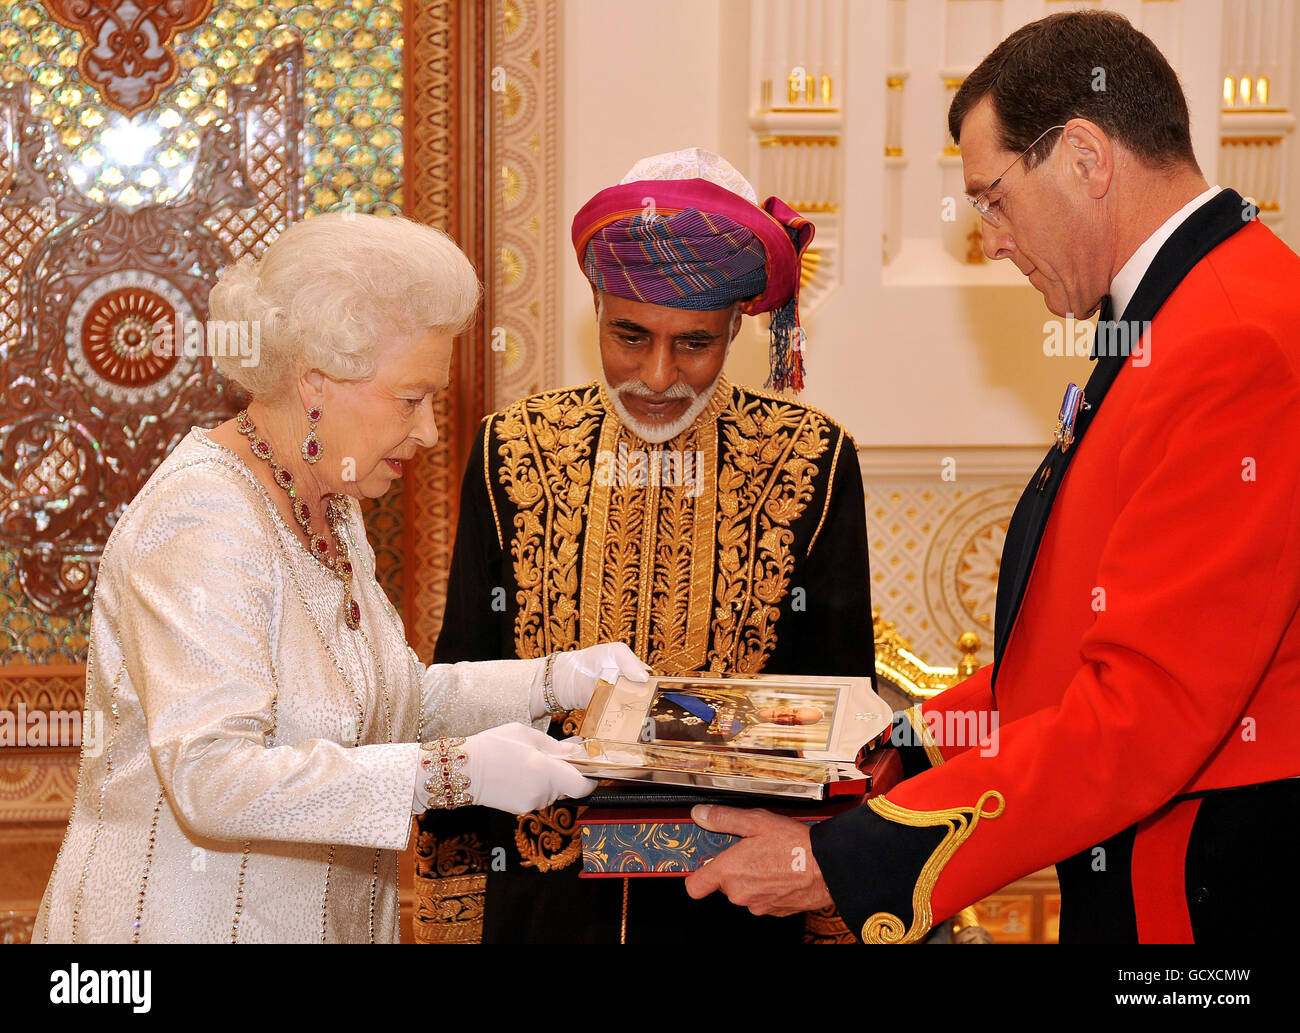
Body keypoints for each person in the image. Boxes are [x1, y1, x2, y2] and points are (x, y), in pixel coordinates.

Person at [685, 10, 1300, 943]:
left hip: (1204, 886)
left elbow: (1144, 708)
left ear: (1085, 156)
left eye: (991, 197)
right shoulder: (1187, 311)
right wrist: (889, 749)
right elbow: (1070, 648)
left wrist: (845, 862)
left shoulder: (1234, 339)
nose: (988, 238)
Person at [32, 213, 647, 943]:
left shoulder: (329, 502)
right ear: (317, 381)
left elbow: (391, 700)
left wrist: (559, 681)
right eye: (411, 398)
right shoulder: (205, 517)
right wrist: (452, 775)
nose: (427, 432)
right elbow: (212, 775)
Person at [421, 148, 875, 943]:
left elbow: (842, 712)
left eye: (694, 344)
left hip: (735, 905)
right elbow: (461, 684)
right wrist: (451, 918)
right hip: (544, 908)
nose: (658, 375)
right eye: (630, 335)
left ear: (737, 325)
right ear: (594, 302)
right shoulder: (513, 448)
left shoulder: (812, 458)